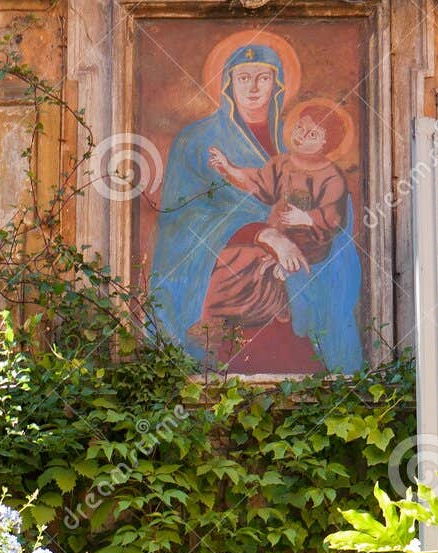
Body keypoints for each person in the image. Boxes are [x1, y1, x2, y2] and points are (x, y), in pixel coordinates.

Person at [148, 44, 362, 373]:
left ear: (277, 85)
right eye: (243, 77)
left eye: (262, 78)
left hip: (303, 260)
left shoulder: (293, 140)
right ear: (227, 84)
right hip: (229, 268)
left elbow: (334, 209)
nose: (252, 87)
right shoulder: (197, 141)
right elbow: (184, 222)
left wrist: (304, 226)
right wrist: (266, 235)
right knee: (241, 269)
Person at [194, 102, 353, 364]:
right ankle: (212, 324)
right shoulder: (281, 164)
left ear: (327, 143)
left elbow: (334, 218)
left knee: (261, 275)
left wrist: (307, 218)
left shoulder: (331, 176)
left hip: (309, 246)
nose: (302, 136)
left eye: (312, 134)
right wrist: (228, 168)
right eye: (300, 128)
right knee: (232, 261)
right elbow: (257, 182)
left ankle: (267, 310)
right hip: (274, 240)